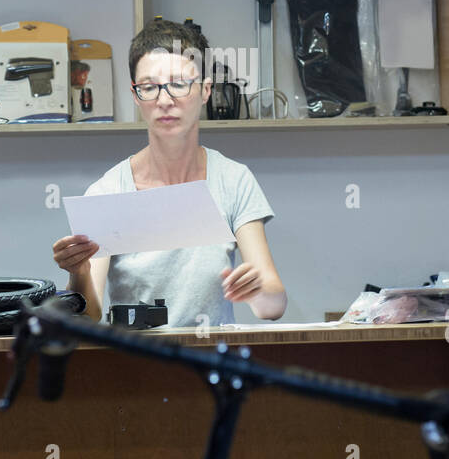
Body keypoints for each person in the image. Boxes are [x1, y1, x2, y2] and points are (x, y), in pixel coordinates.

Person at [52, 19, 286, 327]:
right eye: (149, 87)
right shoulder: (108, 191)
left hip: (210, 362)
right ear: (136, 96)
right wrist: (78, 273)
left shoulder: (232, 180)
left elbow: (273, 306)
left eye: (178, 84)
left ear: (205, 91)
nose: (164, 100)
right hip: (134, 363)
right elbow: (90, 316)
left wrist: (255, 291)